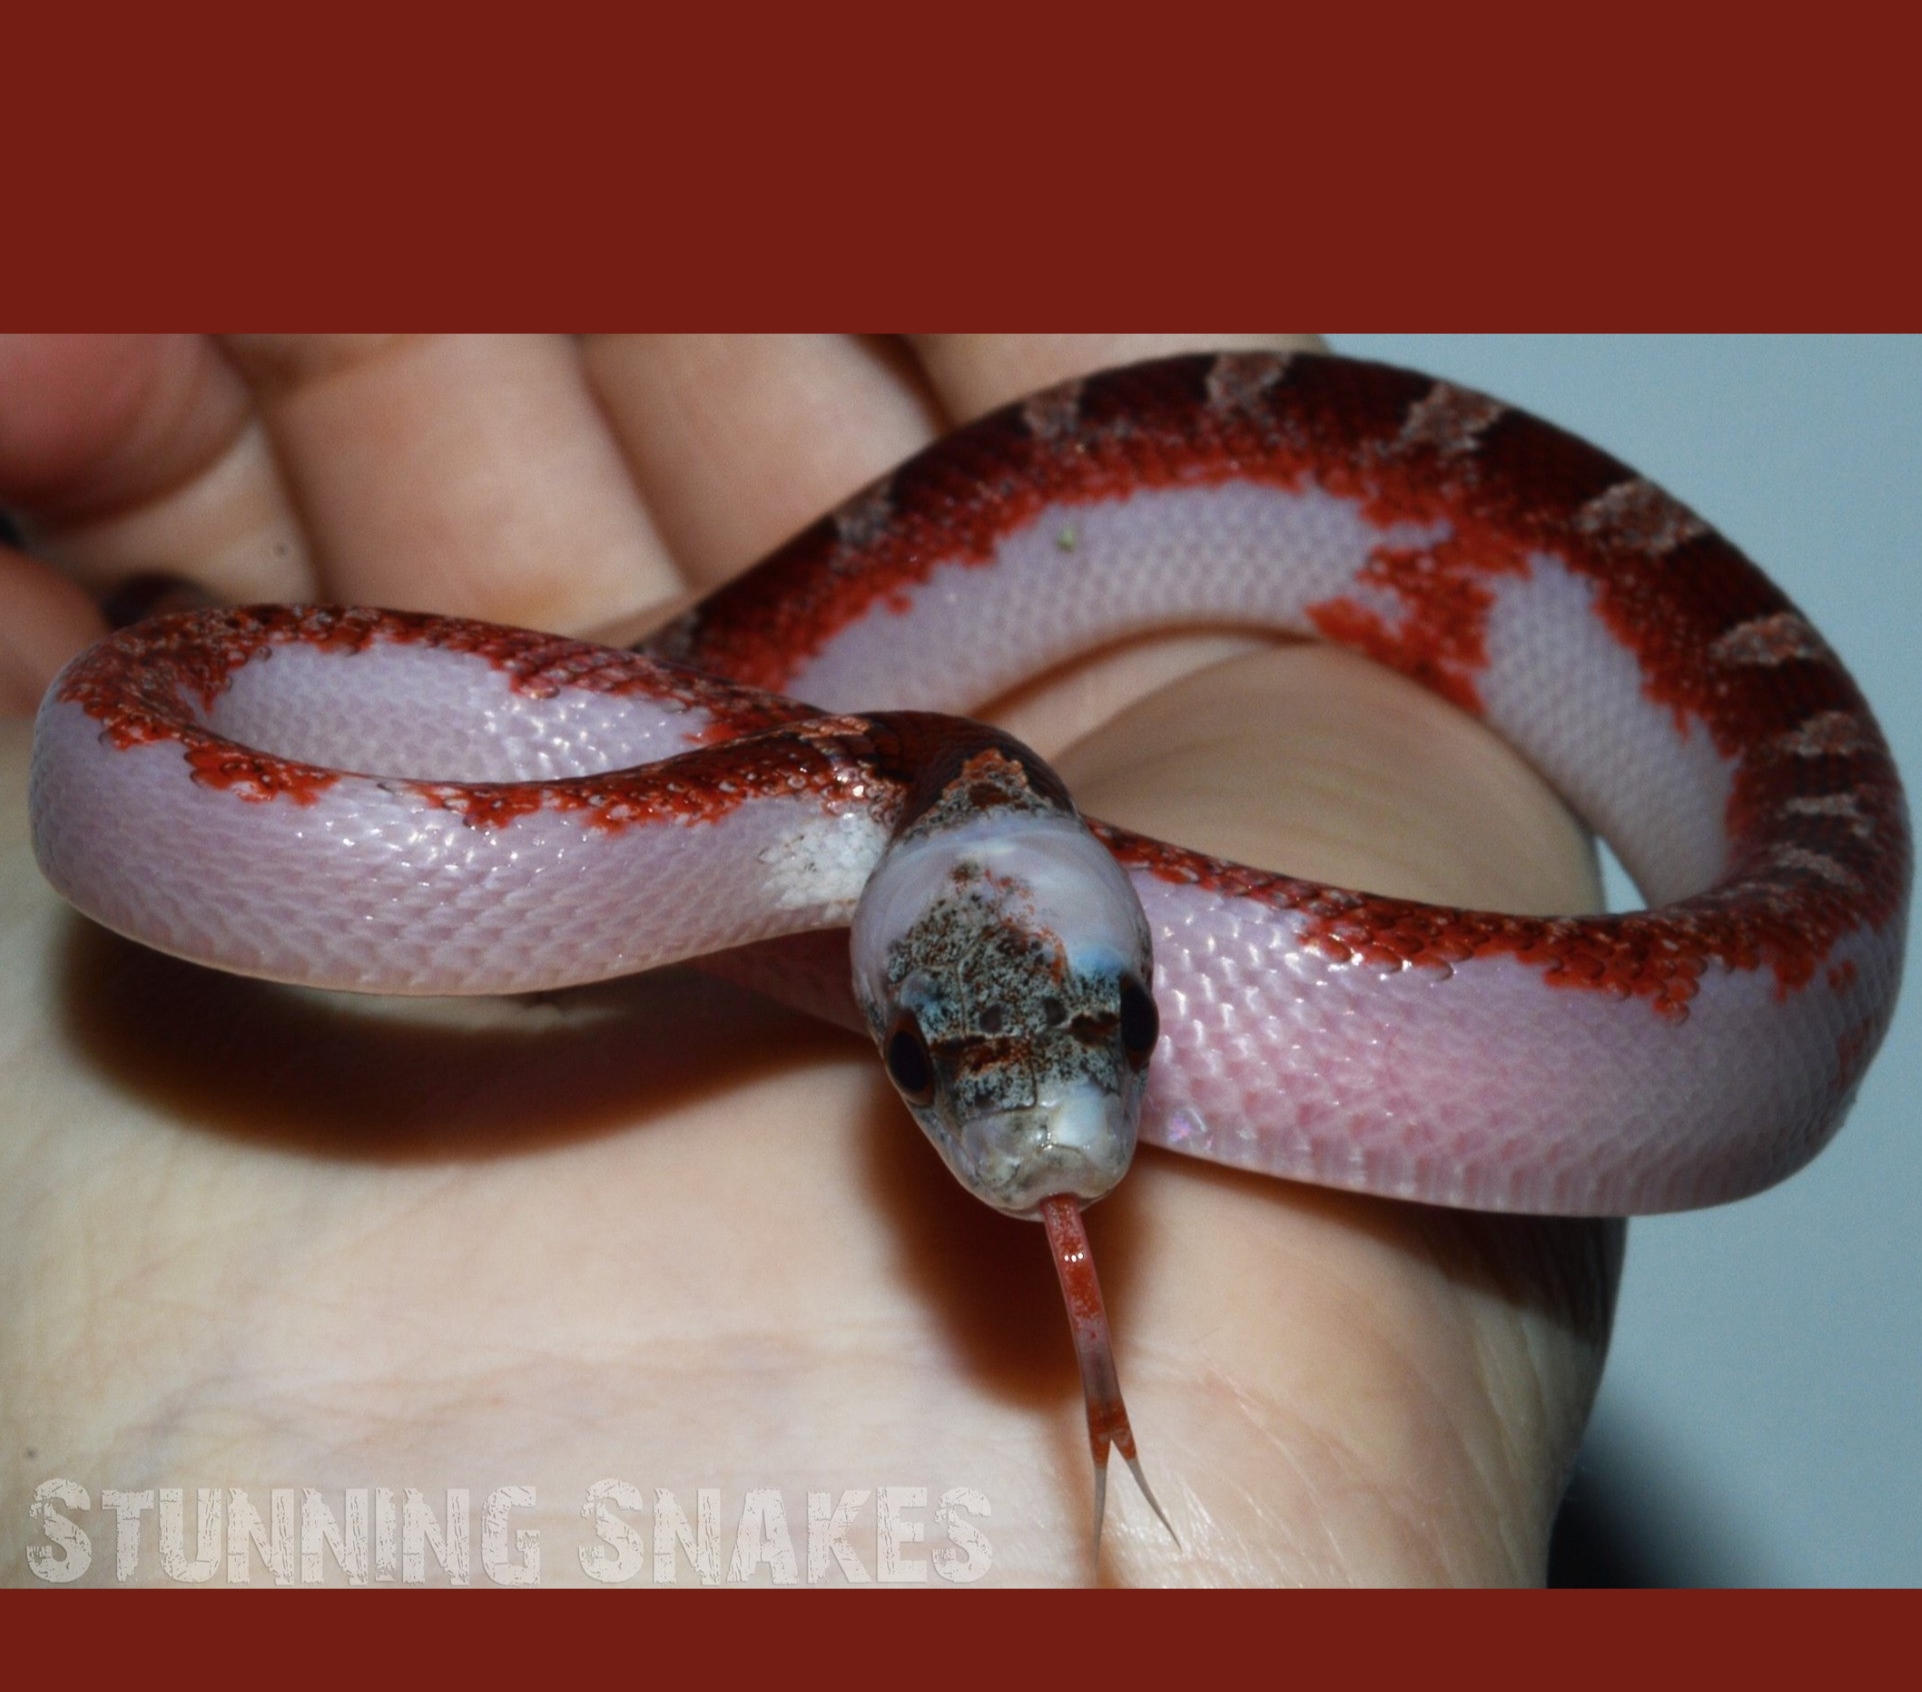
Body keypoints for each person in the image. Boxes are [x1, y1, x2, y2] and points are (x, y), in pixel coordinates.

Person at [0, 333, 1618, 1585]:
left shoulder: (874, 855)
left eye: (1117, 1026)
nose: (1050, 1144)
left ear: (1128, 936)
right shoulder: (802, 825)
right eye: (919, 1057)